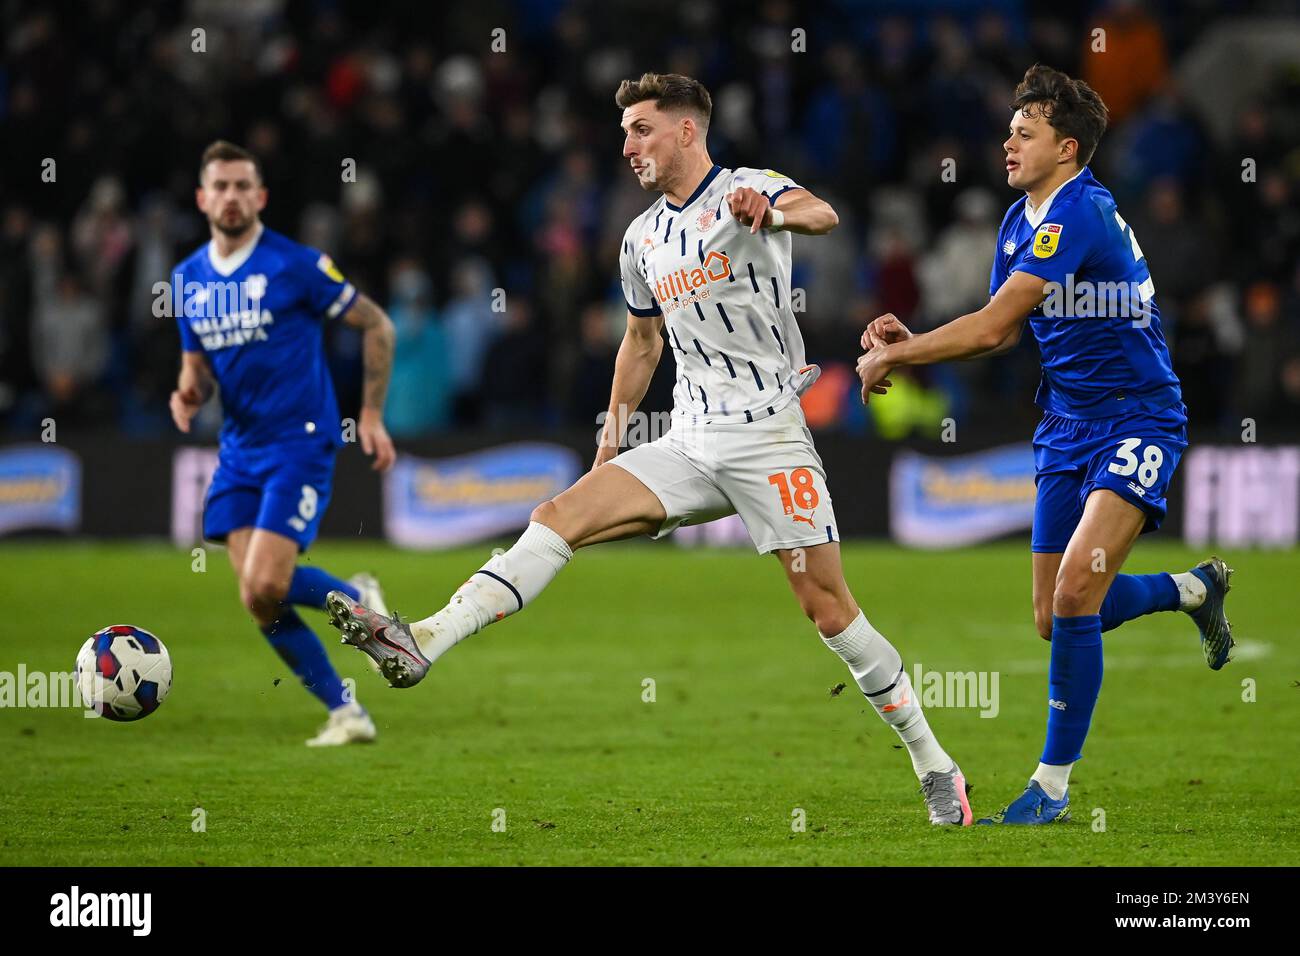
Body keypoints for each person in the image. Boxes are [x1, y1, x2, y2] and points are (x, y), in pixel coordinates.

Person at [324, 73, 972, 825]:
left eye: (641, 129)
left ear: (687, 132)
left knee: (829, 611)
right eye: (625, 129)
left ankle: (933, 761)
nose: (627, 144)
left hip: (770, 438)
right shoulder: (641, 239)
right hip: (689, 439)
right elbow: (640, 342)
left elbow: (820, 213)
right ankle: (426, 639)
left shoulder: (748, 186)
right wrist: (610, 442)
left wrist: (770, 209)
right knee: (557, 514)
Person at [855, 66, 1234, 825]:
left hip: (1137, 418)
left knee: (1073, 595)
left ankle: (1051, 790)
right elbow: (1002, 325)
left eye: (1023, 133)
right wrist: (917, 337)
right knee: (1052, 614)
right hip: (1063, 425)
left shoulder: (1081, 214)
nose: (1007, 143)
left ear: (1067, 147)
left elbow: (995, 327)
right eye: (1008, 131)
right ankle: (1193, 590)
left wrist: (901, 355)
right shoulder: (1019, 218)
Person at [169, 140, 398, 747]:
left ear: (261, 197)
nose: (232, 196)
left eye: (244, 185)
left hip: (299, 442)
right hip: (238, 450)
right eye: (220, 186)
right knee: (257, 599)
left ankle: (356, 598)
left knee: (268, 582)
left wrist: (370, 415)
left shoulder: (296, 264)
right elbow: (196, 370)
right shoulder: (187, 279)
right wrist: (187, 394)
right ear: (202, 198)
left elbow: (377, 323)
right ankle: (347, 712)